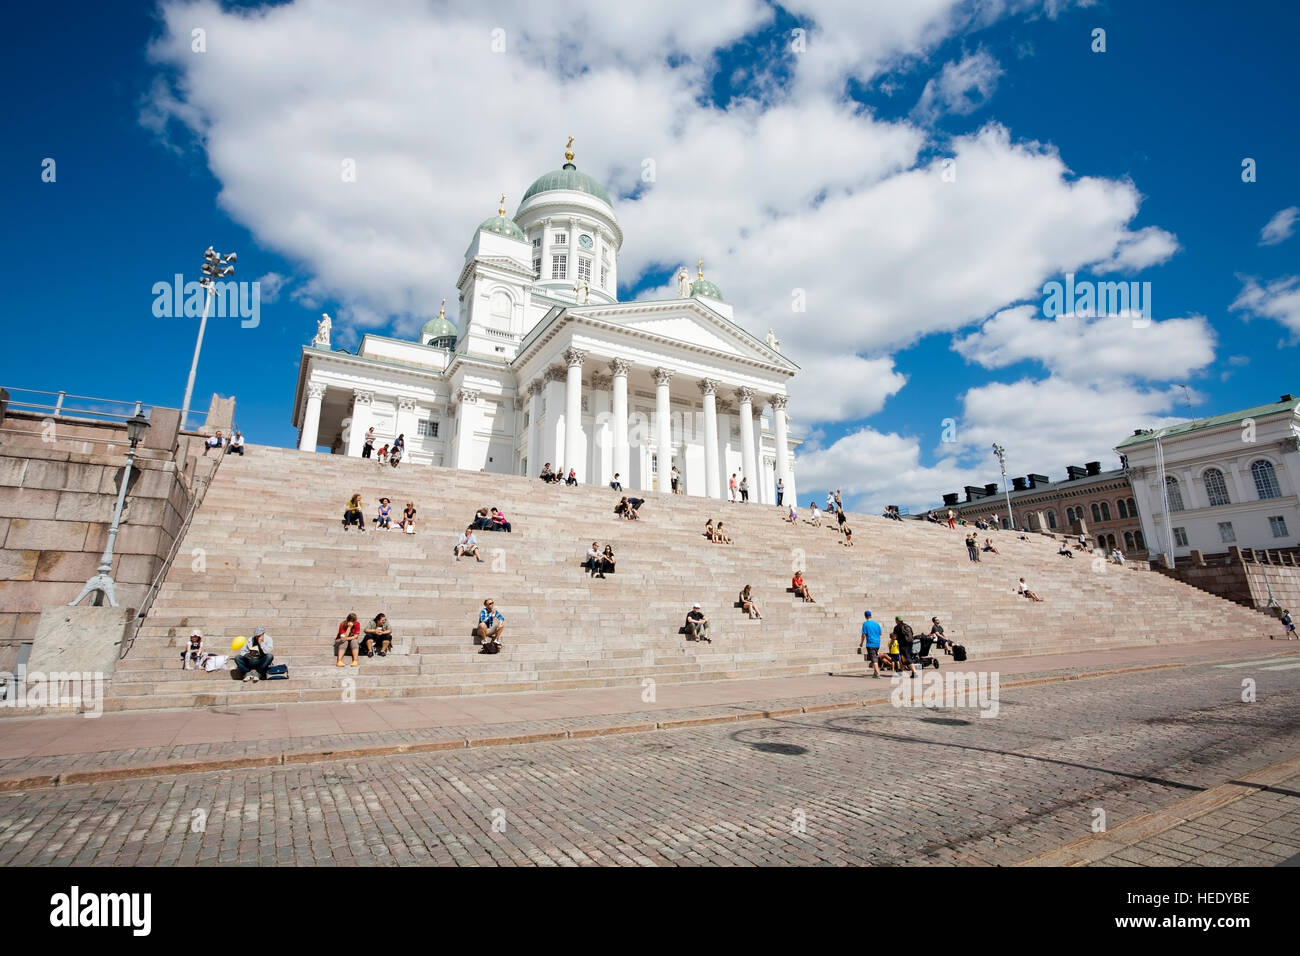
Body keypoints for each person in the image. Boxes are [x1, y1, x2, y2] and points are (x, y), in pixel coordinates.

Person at [858, 611, 883, 677]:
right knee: (875, 657)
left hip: (870, 643)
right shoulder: (876, 624)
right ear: (870, 615)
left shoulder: (865, 624)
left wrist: (861, 643)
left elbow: (863, 635)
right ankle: (875, 673)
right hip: (877, 643)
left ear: (865, 616)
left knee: (874, 659)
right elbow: (880, 634)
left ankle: (877, 673)